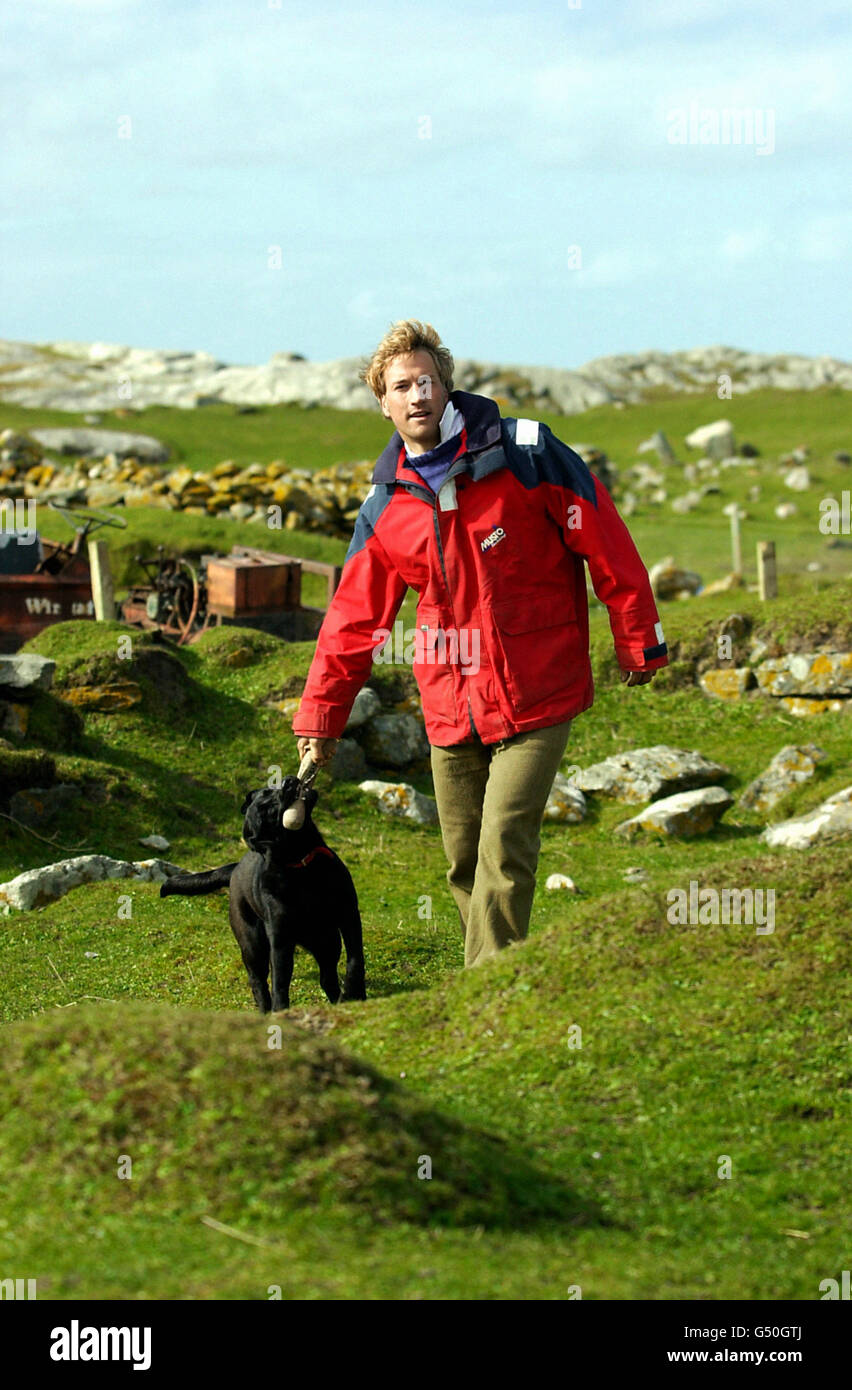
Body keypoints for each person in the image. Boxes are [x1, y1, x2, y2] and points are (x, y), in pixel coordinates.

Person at [294, 319, 668, 968]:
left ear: (447, 387)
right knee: (464, 860)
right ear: (383, 403)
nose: (417, 395)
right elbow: (354, 621)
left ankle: (485, 993)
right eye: (401, 386)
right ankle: (498, 980)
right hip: (449, 703)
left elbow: (603, 535)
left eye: (427, 380)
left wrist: (636, 636)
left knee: (504, 845)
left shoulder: (527, 452)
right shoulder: (384, 503)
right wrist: (322, 719)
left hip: (536, 690)